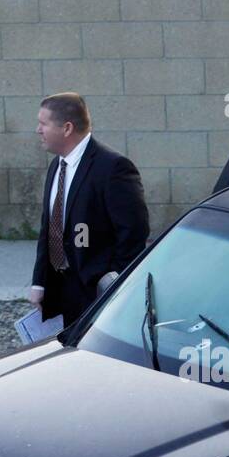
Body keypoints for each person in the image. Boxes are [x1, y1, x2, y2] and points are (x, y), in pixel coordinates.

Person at [29, 93, 149, 326]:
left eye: (43, 124)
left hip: (96, 295)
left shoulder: (113, 168)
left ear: (66, 128)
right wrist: (39, 283)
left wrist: (112, 286)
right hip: (59, 292)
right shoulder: (57, 165)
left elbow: (133, 233)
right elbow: (50, 229)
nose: (38, 130)